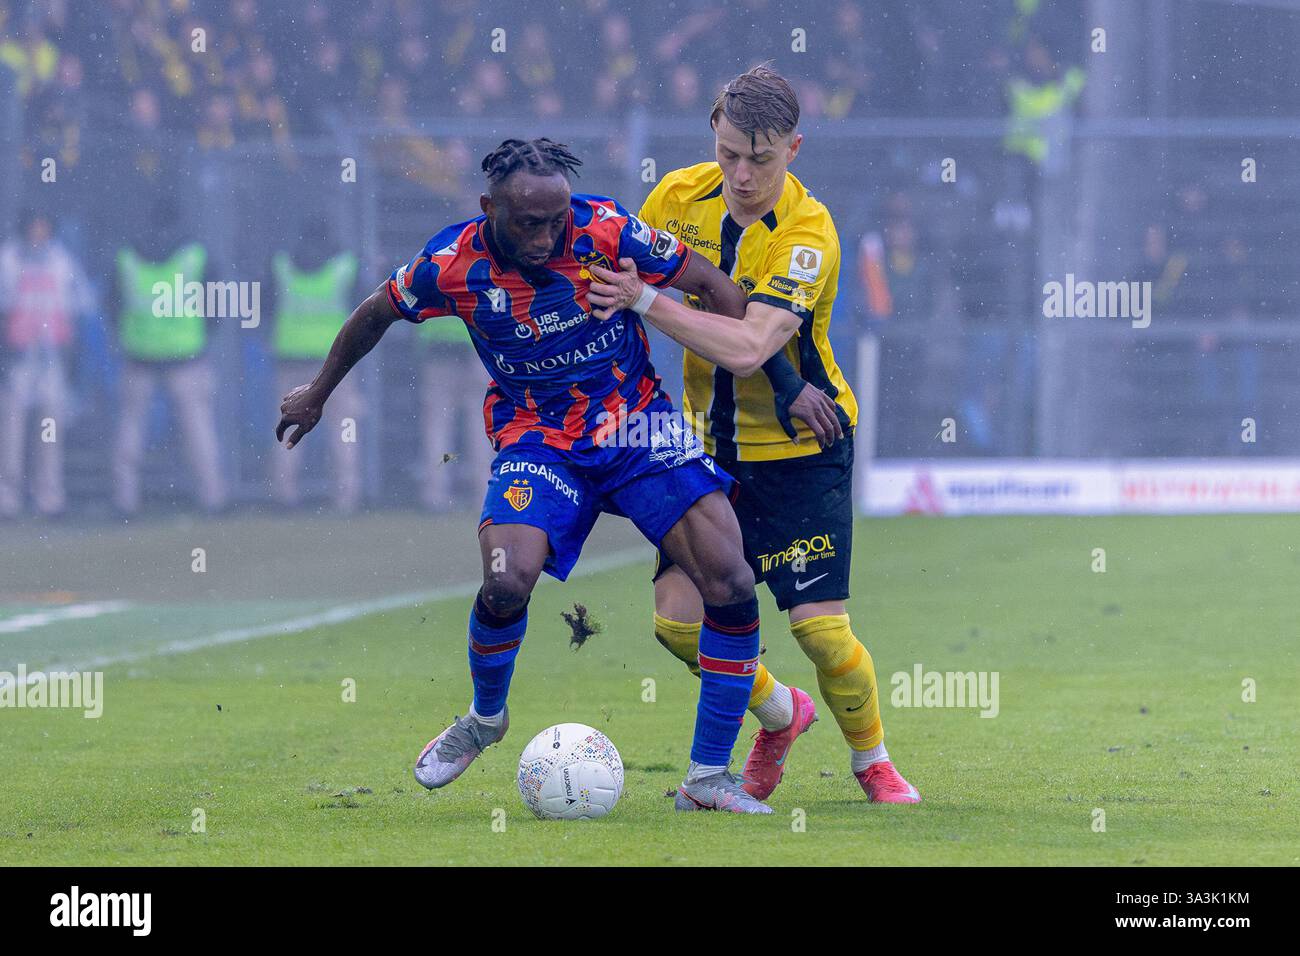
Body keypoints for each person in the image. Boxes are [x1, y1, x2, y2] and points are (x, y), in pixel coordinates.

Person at [275, 138, 821, 814]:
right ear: (489, 208)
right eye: (527, 222)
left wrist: (784, 380)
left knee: (732, 580)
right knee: (506, 580)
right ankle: (484, 717)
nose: (545, 236)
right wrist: (320, 393)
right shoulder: (451, 264)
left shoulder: (607, 230)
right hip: (537, 437)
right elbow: (376, 312)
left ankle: (708, 778)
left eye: (555, 220)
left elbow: (713, 286)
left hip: (636, 429)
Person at [589, 65, 921, 803]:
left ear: (794, 148)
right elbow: (613, 288)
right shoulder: (675, 198)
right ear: (714, 131)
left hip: (802, 455)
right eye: (729, 152)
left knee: (822, 636)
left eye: (760, 159)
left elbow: (747, 345)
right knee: (678, 628)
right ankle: (780, 712)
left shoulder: (809, 231)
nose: (741, 174)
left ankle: (872, 762)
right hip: (706, 453)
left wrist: (646, 299)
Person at [111, 198, 227, 515]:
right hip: (186, 354)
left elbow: (113, 303)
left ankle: (125, 501)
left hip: (139, 354)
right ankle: (211, 497)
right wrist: (203, 336)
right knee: (198, 430)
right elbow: (215, 304)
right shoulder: (194, 255)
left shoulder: (127, 256)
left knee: (130, 429)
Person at [0, 209, 90, 518]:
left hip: (51, 360)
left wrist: (69, 357)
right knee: (10, 433)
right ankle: (7, 499)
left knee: (49, 432)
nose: (38, 233)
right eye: (34, 227)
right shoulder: (8, 260)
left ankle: (49, 497)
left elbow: (77, 309)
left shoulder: (62, 261)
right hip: (17, 360)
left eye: (43, 227)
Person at [269, 217, 362, 512]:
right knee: (343, 430)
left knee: (287, 425)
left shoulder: (282, 265)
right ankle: (346, 498)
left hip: (290, 357)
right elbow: (363, 314)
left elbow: (267, 308)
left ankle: (284, 496)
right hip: (334, 363)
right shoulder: (345, 267)